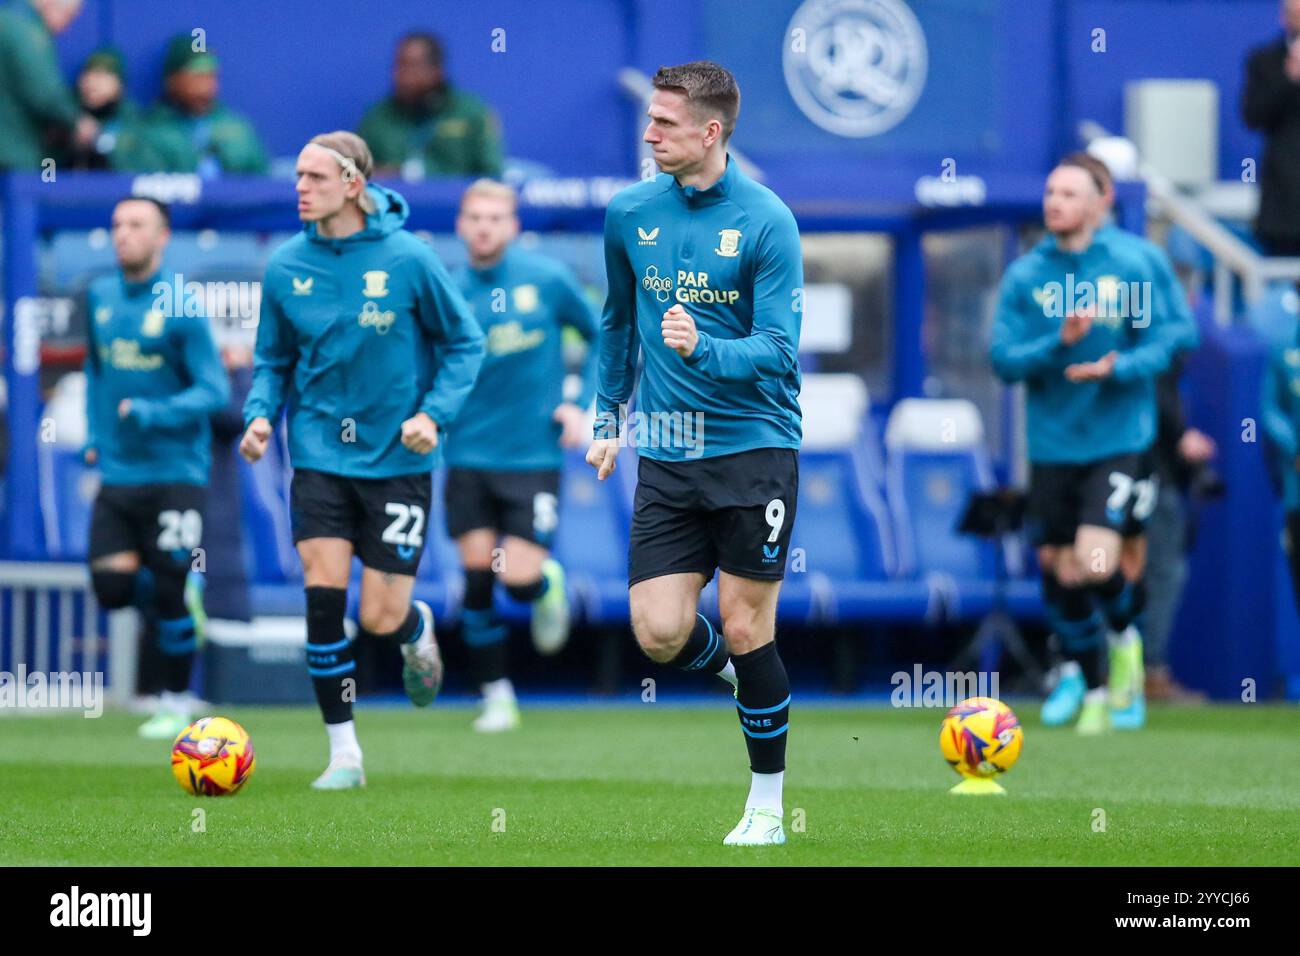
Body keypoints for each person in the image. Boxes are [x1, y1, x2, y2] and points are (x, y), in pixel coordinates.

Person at [587, 62, 804, 846]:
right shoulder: (628, 212)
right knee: (658, 632)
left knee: (750, 629)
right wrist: (607, 413)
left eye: (665, 125)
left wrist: (703, 347)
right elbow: (616, 323)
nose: (649, 135)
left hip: (754, 449)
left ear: (710, 132)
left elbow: (781, 349)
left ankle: (767, 807)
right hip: (669, 452)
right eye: (650, 121)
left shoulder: (767, 220)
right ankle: (743, 681)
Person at [240, 131, 484, 790]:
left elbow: (466, 343)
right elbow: (273, 360)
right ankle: (344, 752)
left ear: (353, 184)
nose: (300, 187)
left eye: (315, 177)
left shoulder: (409, 259)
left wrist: (433, 416)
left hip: (397, 458)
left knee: (378, 615)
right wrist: (260, 414)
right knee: (323, 598)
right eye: (296, 175)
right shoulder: (286, 264)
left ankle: (414, 627)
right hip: (318, 453)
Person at [990, 156, 1172, 736]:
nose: (1054, 202)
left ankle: (1123, 647)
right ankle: (1085, 679)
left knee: (1097, 561)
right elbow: (1003, 361)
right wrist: (1057, 341)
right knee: (1059, 570)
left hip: (1118, 438)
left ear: (1100, 201)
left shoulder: (1133, 263)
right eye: (1049, 191)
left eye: (1068, 193)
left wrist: (1121, 365)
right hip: (1051, 446)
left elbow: (1174, 334)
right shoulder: (1026, 276)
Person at [443, 179, 598, 732]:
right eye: (475, 217)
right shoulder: (448, 289)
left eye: (495, 217)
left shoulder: (548, 280)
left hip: (532, 457)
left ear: (513, 226)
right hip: (466, 455)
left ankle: (544, 584)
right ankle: (496, 694)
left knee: (516, 577)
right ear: (461, 225)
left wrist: (581, 403)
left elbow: (602, 333)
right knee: (478, 576)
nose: (484, 226)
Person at [83, 196, 229, 738]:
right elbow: (96, 372)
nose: (123, 233)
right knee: (112, 589)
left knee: (168, 589)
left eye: (136, 224)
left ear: (162, 236)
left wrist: (154, 412)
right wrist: (97, 435)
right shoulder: (98, 293)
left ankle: (173, 701)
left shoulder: (182, 304)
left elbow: (214, 390)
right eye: (117, 223)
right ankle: (179, 592)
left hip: (175, 472)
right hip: (119, 472)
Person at [116, 33, 266, 177]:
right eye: (197, 77)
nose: (207, 87)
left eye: (211, 76)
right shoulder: (147, 131)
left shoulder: (237, 127)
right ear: (172, 80)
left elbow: (264, 184)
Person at [358, 31, 503, 179]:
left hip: (457, 201)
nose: (402, 76)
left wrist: (407, 173)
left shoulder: (471, 112)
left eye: (412, 66)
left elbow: (492, 173)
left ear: (437, 70)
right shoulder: (377, 117)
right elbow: (357, 174)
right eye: (399, 65)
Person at [0, 0, 97, 170]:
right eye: (68, 16)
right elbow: (44, 93)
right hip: (13, 153)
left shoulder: (7, 20)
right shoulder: (26, 30)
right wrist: (77, 121)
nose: (66, 28)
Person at [1243, 0, 1300, 255]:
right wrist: (1289, 79)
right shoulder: (1265, 60)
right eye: (1294, 13)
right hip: (1284, 206)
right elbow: (1253, 116)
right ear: (1283, 17)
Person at [63, 47, 138, 170]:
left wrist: (96, 139)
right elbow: (47, 173)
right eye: (88, 74)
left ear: (119, 85)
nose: (92, 83)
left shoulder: (130, 119)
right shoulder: (67, 116)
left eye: (102, 76)